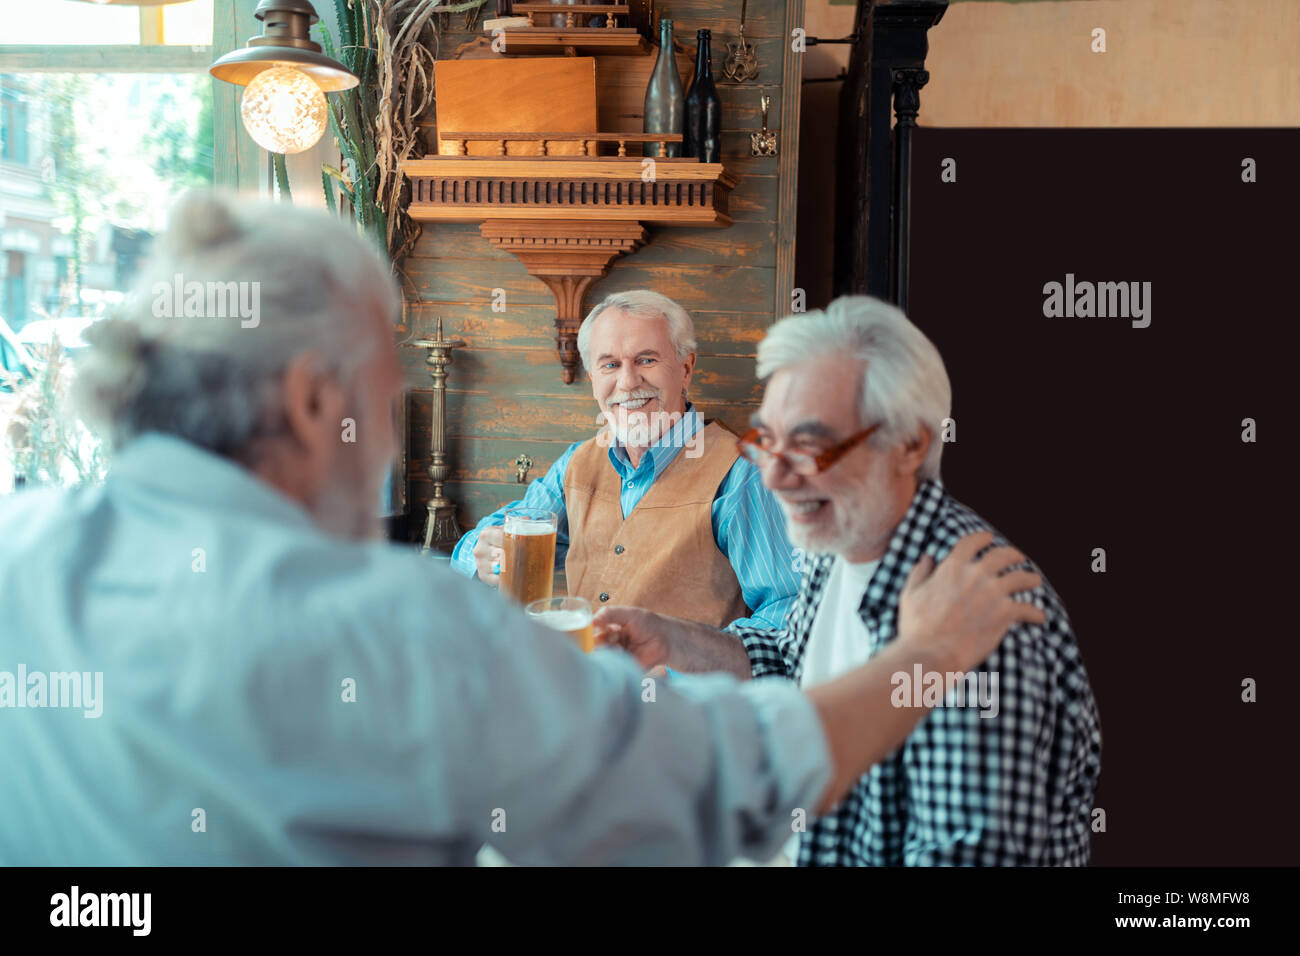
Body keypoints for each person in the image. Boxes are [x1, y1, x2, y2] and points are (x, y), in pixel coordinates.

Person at [0, 195, 1046, 865]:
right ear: (320, 403)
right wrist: (927, 654)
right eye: (387, 393)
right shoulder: (403, 628)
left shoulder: (17, 554)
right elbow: (722, 778)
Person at [597, 296, 1103, 866]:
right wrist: (673, 640)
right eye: (768, 441)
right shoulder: (834, 543)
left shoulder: (976, 618)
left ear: (909, 444)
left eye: (811, 446)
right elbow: (789, 662)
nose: (778, 477)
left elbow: (964, 858)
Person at [451, 291, 799, 631]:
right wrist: (484, 555)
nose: (628, 382)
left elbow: (787, 615)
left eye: (646, 360)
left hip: (683, 690)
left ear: (686, 368)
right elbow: (497, 535)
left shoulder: (742, 474)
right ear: (593, 380)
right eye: (611, 365)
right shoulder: (577, 462)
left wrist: (686, 670)